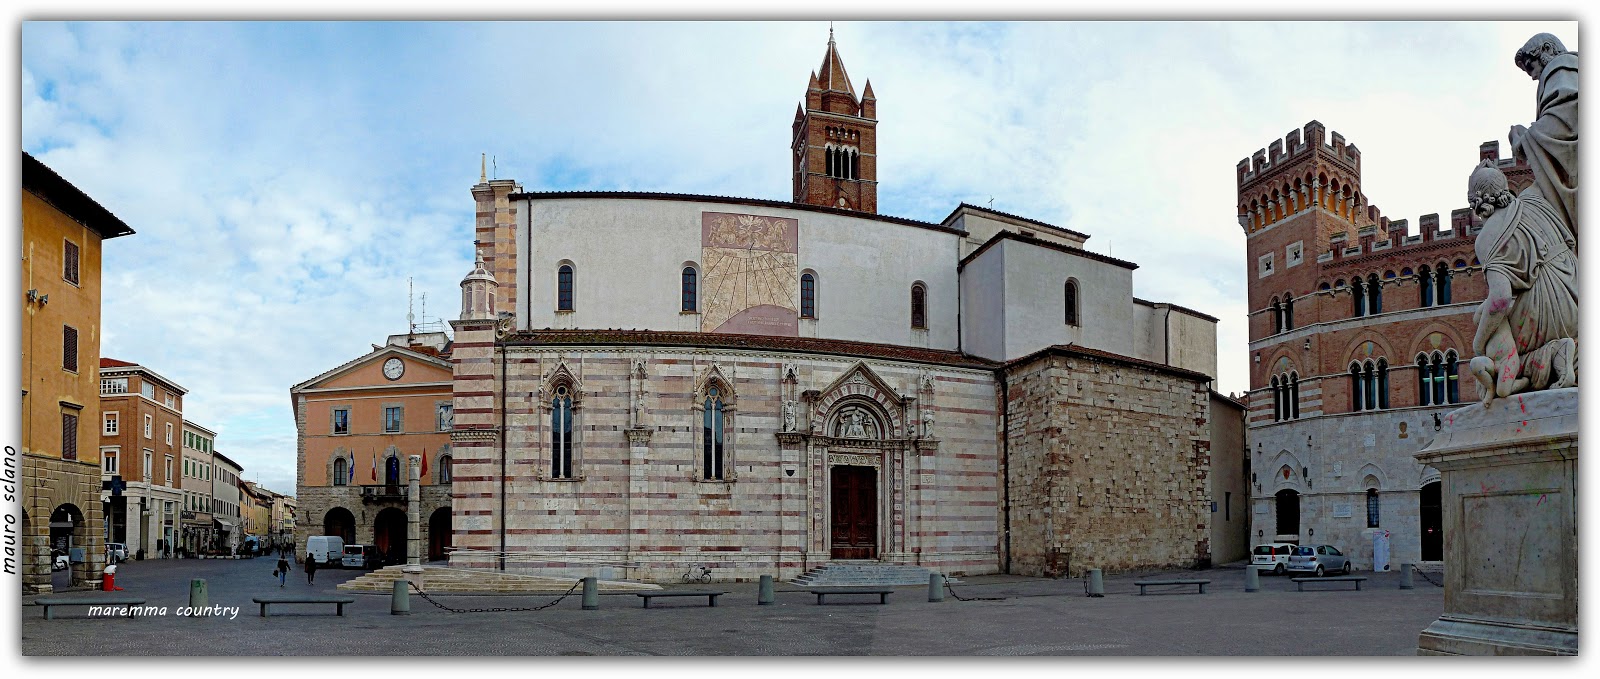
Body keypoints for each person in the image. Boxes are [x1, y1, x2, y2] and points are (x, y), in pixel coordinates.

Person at [1466, 162, 1578, 404]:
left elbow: (1500, 299)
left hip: (1547, 309)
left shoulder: (1487, 237)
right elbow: (1555, 169)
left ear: (1475, 203)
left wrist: (1478, 343)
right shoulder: (1535, 198)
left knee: (1496, 355)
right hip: (1576, 290)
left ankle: (1553, 354)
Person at [1509, 32, 1579, 249]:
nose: (1532, 76)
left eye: (1531, 67)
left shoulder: (1561, 66)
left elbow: (1565, 120)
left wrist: (1523, 140)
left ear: (1547, 50)